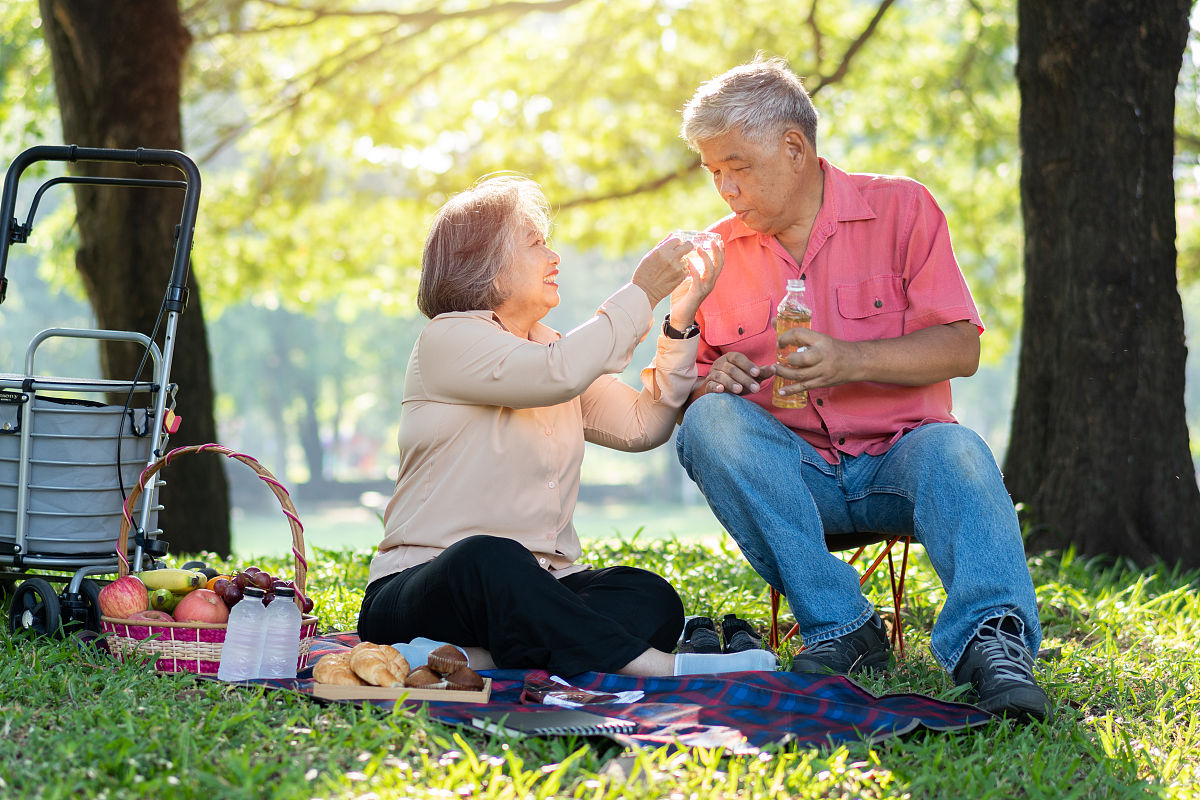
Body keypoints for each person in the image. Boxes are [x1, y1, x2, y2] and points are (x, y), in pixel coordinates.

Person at [672, 58, 1053, 721]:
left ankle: (994, 642)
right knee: (706, 424)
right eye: (713, 173)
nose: (725, 189)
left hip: (903, 463)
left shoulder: (902, 208)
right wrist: (711, 382)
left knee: (958, 449)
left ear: (793, 147)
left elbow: (962, 346)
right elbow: (683, 385)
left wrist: (850, 359)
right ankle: (844, 627)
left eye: (737, 165)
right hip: (795, 482)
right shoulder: (713, 255)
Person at [357, 175, 777, 678]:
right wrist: (642, 290)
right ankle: (660, 668)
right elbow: (558, 373)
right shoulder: (447, 339)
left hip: (540, 585)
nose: (554, 257)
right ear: (484, 266)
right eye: (535, 243)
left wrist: (679, 317)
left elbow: (644, 424)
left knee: (648, 595)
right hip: (426, 583)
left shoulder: (549, 347)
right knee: (490, 558)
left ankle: (469, 658)